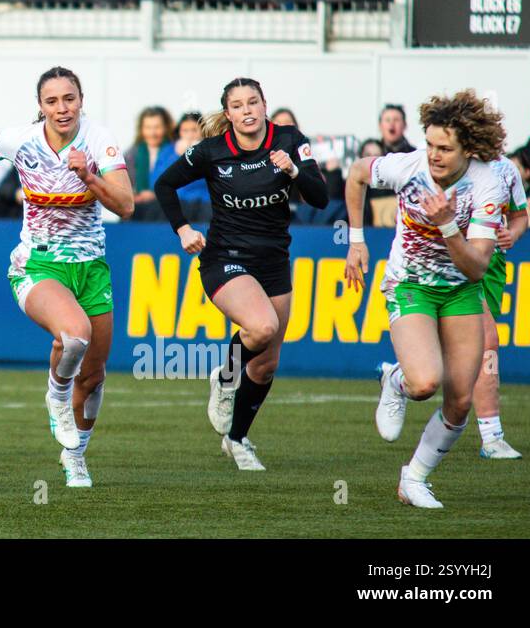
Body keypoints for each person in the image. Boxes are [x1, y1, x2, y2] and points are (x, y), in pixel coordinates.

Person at [0, 66, 133, 487]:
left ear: (81, 100)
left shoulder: (99, 141)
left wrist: (88, 175)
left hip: (91, 268)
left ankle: (76, 456)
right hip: (37, 263)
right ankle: (56, 395)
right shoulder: (23, 140)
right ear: (40, 106)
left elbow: (126, 206)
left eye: (69, 99)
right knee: (75, 334)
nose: (62, 108)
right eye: (52, 101)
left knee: (96, 374)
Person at [153, 77, 328, 470]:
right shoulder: (212, 151)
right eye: (238, 105)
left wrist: (296, 172)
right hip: (225, 257)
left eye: (253, 102)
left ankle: (237, 439)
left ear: (265, 105)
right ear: (228, 113)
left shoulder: (288, 140)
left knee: (266, 363)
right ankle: (225, 377)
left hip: (274, 260)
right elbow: (164, 184)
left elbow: (320, 196)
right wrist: (182, 229)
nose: (247, 110)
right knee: (262, 327)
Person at [344, 91, 506, 508]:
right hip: (410, 284)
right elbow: (357, 174)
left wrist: (448, 225)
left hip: (460, 290)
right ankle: (395, 380)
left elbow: (476, 268)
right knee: (424, 383)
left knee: (460, 399)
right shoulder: (408, 166)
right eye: (430, 144)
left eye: (444, 148)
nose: (433, 155)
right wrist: (356, 241)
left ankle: (413, 478)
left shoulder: (489, 183)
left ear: (468, 149)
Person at [472, 152, 529, 459]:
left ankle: (400, 378)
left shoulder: (507, 169)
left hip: (492, 265)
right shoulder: (450, 162)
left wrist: (512, 234)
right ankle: (492, 437)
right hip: (458, 261)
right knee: (488, 341)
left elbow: (520, 216)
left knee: (467, 354)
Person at [126, 105, 176, 221]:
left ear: (165, 128)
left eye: (157, 127)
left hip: (165, 214)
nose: (152, 133)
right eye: (148, 127)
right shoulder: (131, 154)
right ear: (141, 129)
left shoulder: (175, 152)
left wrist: (155, 195)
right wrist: (133, 196)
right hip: (137, 213)